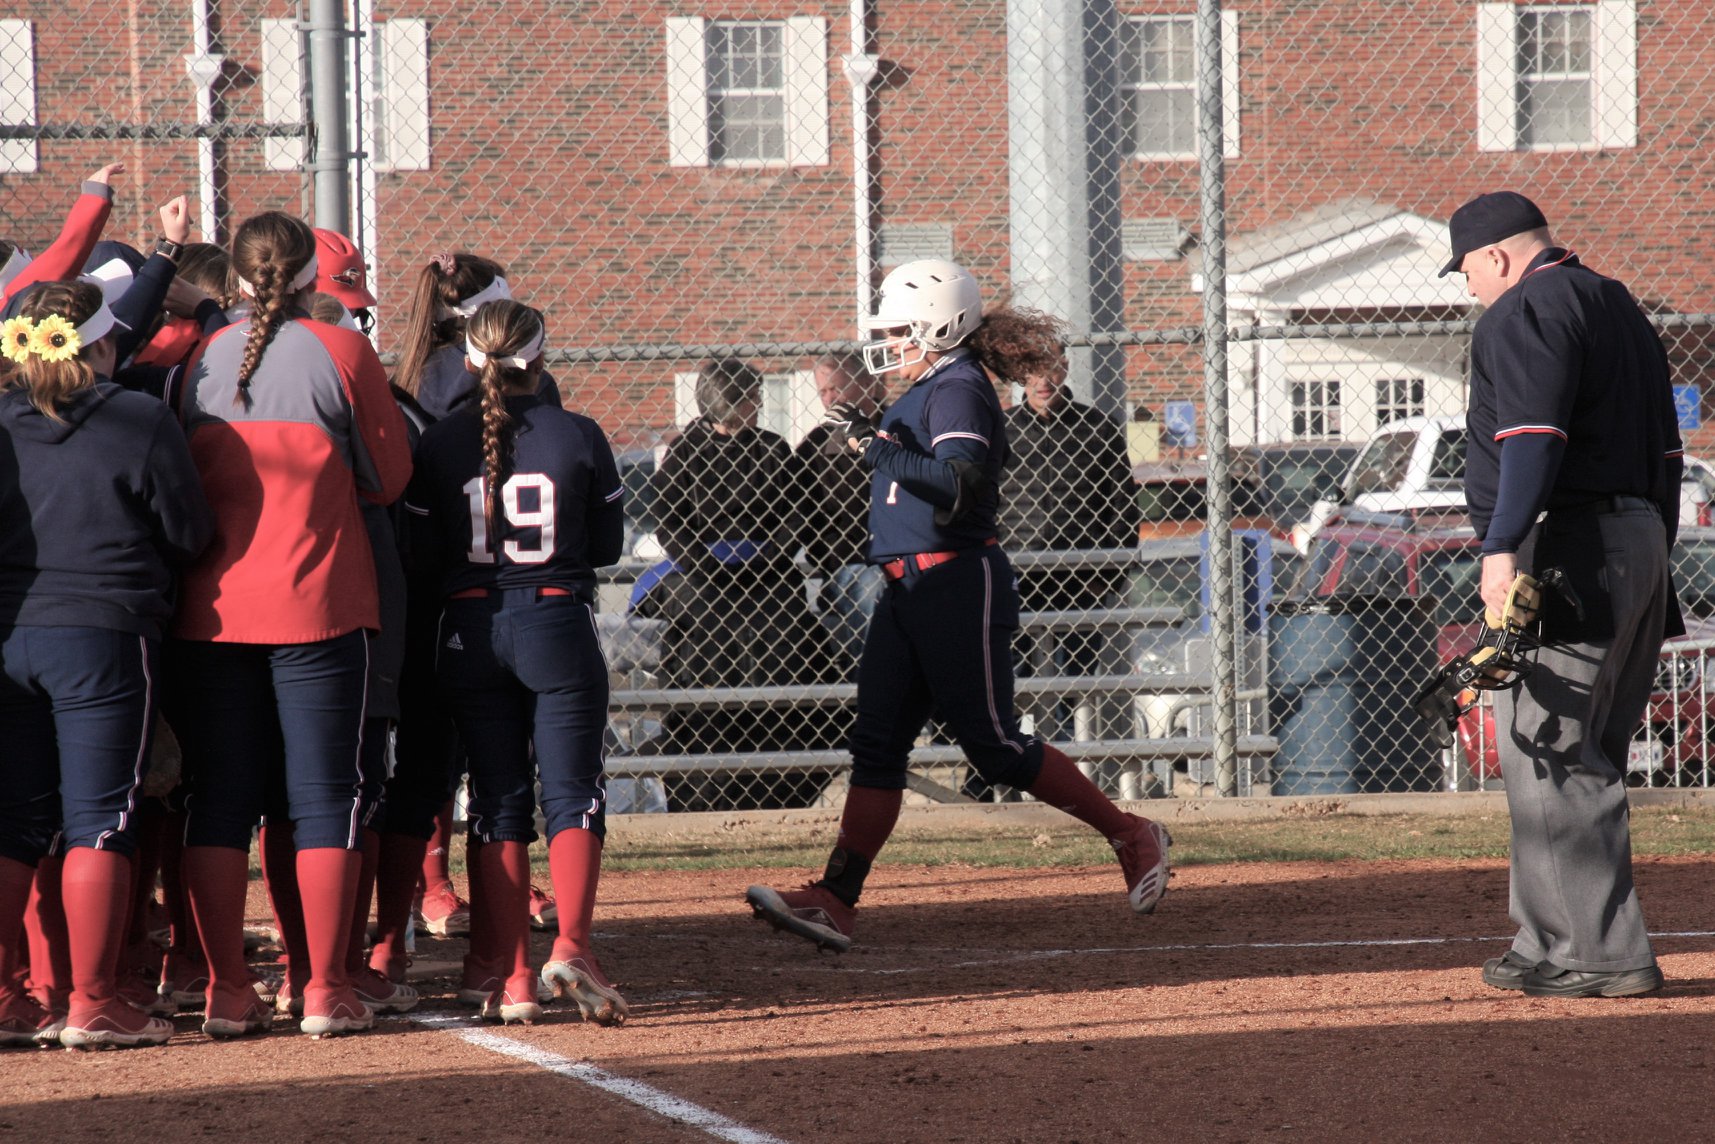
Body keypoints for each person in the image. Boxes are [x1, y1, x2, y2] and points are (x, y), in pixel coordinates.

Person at [745, 259, 1171, 953]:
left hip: (954, 582)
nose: (887, 341)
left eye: (899, 329)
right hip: (907, 586)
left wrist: (877, 447)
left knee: (995, 745)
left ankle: (1131, 834)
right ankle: (835, 899)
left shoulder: (959, 387)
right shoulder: (929, 385)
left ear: (937, 325)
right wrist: (881, 441)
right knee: (877, 747)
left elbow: (964, 485)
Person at [168, 210, 412, 1039]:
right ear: (312, 273)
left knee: (221, 801)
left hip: (214, 611)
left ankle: (228, 990)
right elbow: (389, 476)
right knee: (323, 799)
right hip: (319, 604)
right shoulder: (341, 350)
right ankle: (323, 987)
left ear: (235, 276)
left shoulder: (198, 357)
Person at [1443, 191, 1682, 998]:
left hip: (1572, 544)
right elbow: (1670, 450)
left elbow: (1532, 437)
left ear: (1500, 258)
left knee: (1550, 749)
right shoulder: (1616, 302)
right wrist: (1648, 551)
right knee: (1568, 748)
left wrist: (1501, 547)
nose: (1469, 286)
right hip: (1637, 533)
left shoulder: (1525, 309)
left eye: (1468, 269)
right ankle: (1544, 937)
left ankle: (1599, 952)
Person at [0, 280, 213, 1047]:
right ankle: (92, 1001)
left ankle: (8, 996)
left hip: (10, 635)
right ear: (98, 343)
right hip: (105, 634)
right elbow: (188, 531)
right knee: (101, 819)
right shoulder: (138, 416)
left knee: (14, 822)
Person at [404, 298, 628, 1026]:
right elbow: (603, 549)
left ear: (469, 361)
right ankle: (572, 943)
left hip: (468, 626)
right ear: (541, 359)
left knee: (496, 802)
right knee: (571, 792)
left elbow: (423, 552)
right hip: (555, 620)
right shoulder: (580, 435)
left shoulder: (437, 443)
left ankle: (515, 977)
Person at [643, 358, 841, 808]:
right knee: (705, 675)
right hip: (705, 583)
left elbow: (795, 513)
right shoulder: (686, 452)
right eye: (750, 397)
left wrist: (769, 558)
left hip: (768, 579)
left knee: (789, 657)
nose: (756, 405)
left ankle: (780, 785)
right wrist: (706, 566)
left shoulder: (771, 449)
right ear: (727, 401)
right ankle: (705, 792)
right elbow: (670, 519)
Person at [983, 310, 1139, 797]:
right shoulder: (1001, 429)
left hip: (1079, 581)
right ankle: (1013, 781)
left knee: (1073, 689)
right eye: (1030, 371)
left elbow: (1122, 510)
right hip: (1017, 579)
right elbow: (981, 502)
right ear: (1018, 378)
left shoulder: (1097, 429)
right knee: (1016, 685)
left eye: (1049, 367)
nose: (1041, 380)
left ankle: (1066, 785)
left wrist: (1103, 578)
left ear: (1065, 369)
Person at [797, 350, 888, 673]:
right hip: (849, 563)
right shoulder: (815, 446)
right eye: (822, 391)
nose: (829, 398)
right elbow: (802, 518)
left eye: (837, 388)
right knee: (871, 586)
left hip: (908, 555)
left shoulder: (898, 429)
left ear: (867, 384)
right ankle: (878, 685)